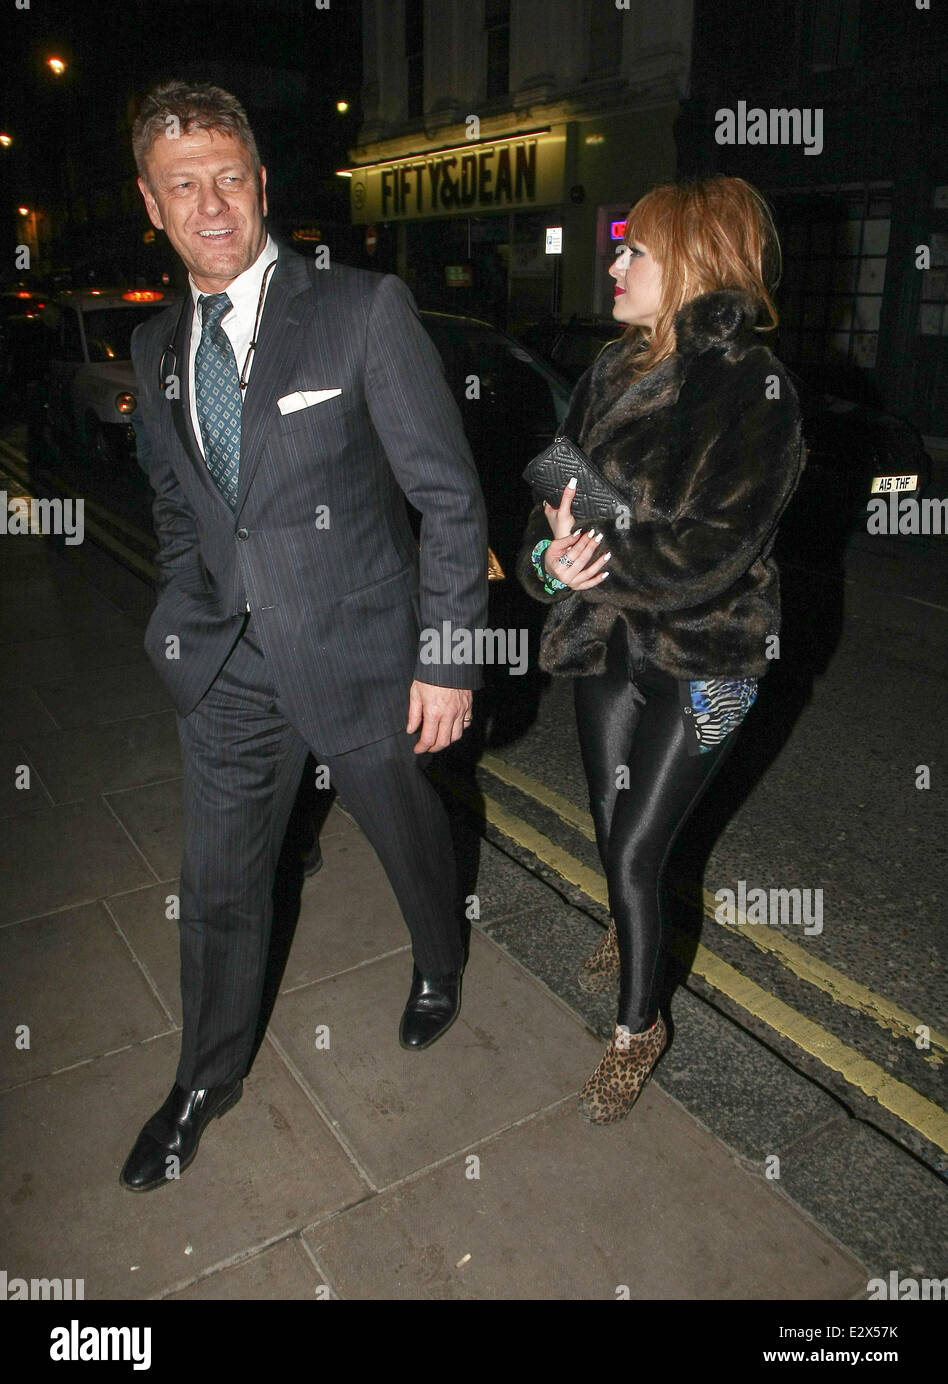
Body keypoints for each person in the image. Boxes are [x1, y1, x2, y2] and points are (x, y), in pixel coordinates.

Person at [120, 82, 489, 1192]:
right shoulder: (152, 347)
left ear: (262, 182)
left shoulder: (360, 308)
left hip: (367, 654)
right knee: (222, 885)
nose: (212, 203)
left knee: (409, 836)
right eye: (183, 185)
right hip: (230, 670)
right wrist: (185, 628)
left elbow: (449, 495)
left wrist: (448, 657)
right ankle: (202, 1079)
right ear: (152, 202)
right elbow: (181, 507)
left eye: (229, 176)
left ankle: (438, 956)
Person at [516, 176, 806, 1124]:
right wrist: (551, 561)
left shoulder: (754, 387)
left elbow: (715, 552)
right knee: (609, 819)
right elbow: (557, 495)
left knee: (639, 851)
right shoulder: (611, 370)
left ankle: (637, 1028)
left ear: (689, 264)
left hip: (704, 653)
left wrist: (601, 566)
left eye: (632, 250)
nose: (614, 262)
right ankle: (629, 924)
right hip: (609, 641)